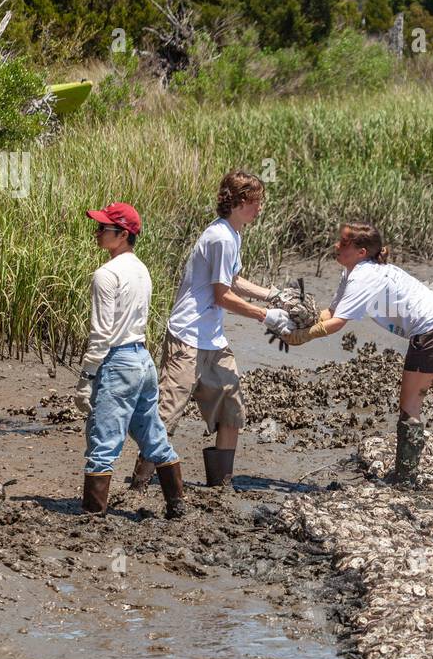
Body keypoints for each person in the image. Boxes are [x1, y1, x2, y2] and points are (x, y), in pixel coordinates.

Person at [128, 170, 292, 494]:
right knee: (168, 414)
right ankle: (139, 485)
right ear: (240, 202)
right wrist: (266, 316)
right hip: (187, 337)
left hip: (213, 340)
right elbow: (222, 295)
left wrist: (271, 294)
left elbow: (233, 280)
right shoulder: (220, 236)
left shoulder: (234, 233)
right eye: (257, 202)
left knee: (232, 411)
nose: (260, 209)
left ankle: (221, 486)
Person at [280, 222, 433, 486]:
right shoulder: (355, 273)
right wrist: (299, 324)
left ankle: (405, 477)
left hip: (431, 331)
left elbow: (336, 324)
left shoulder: (362, 275)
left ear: (361, 251)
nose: (336, 246)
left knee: (410, 405)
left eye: (344, 243)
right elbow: (332, 313)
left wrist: (302, 337)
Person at [74, 203, 184, 517]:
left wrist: (87, 377)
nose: (97, 233)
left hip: (118, 362)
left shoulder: (105, 274)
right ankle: (177, 505)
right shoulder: (141, 269)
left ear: (123, 235)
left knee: (103, 441)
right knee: (153, 435)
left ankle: (94, 513)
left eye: (103, 229)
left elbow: (102, 332)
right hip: (142, 361)